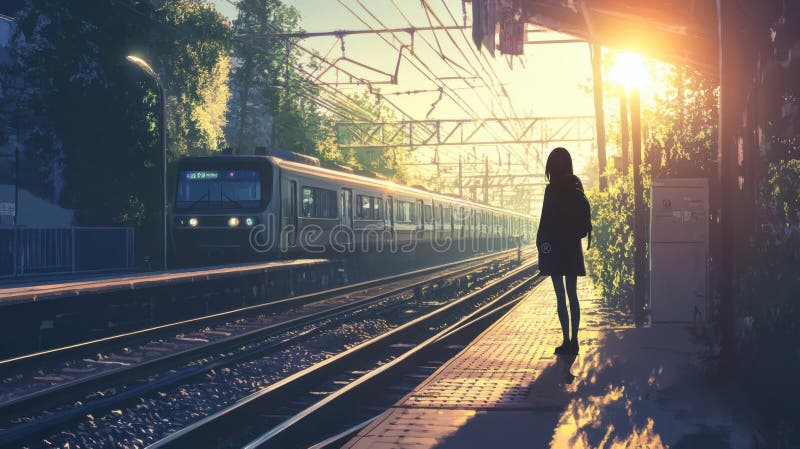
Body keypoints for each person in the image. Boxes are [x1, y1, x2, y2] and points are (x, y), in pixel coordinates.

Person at [536, 147, 591, 356]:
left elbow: (545, 219)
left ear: (551, 167)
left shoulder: (551, 189)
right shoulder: (576, 183)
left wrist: (542, 244)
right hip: (572, 247)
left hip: (556, 249)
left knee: (561, 297)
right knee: (573, 295)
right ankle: (575, 341)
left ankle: (566, 340)